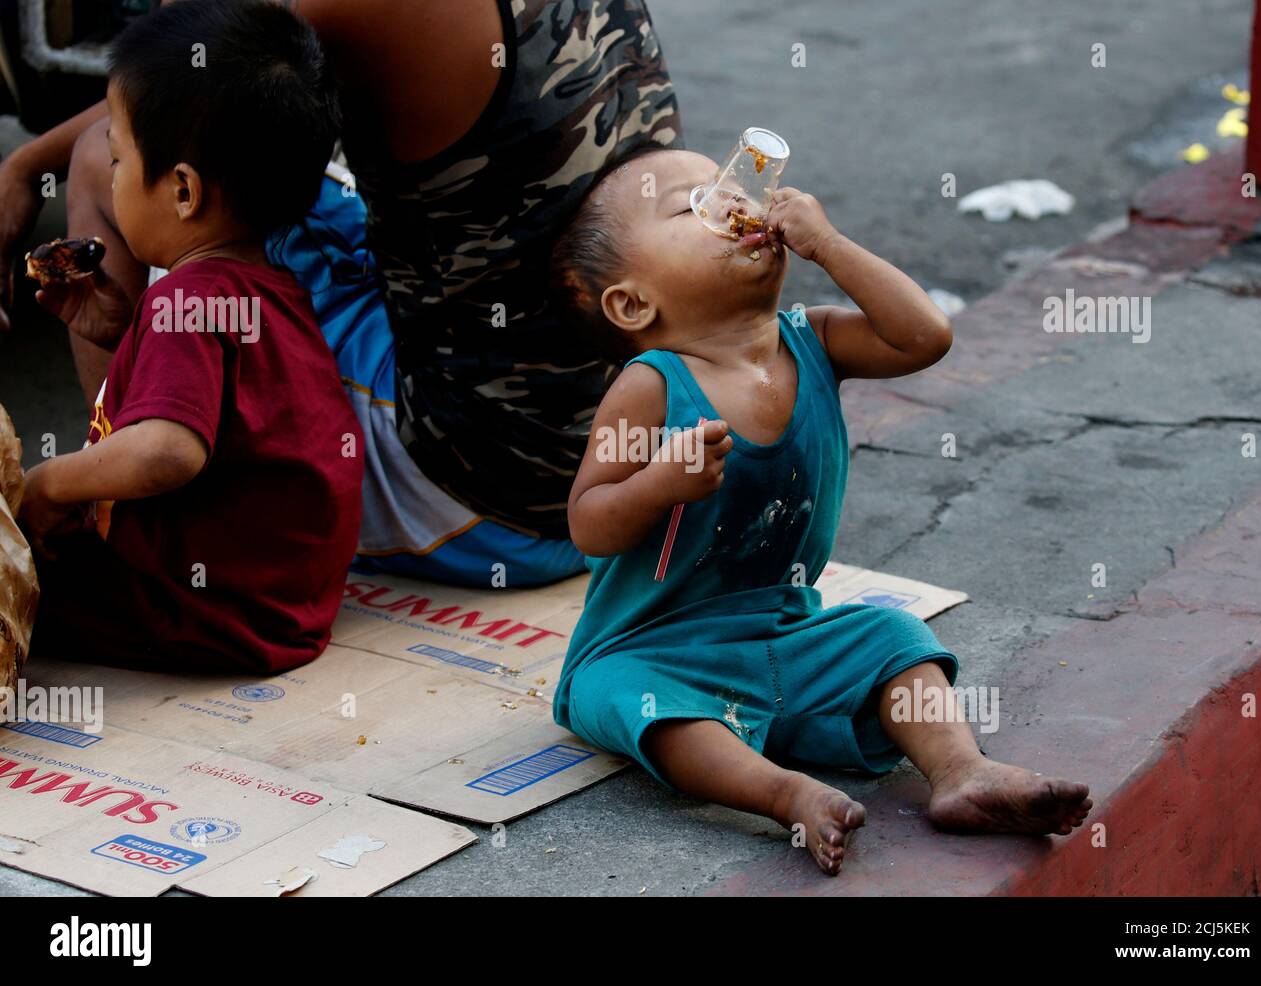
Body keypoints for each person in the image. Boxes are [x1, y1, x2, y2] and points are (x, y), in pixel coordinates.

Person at [0, 0, 683, 588]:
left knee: (103, 159)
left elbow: (172, 71)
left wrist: (30, 165)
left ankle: (128, 523)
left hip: (501, 495)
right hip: (629, 433)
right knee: (230, 188)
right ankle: (147, 399)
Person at [548, 147, 1093, 875]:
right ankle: (784, 794)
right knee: (632, 698)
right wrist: (657, 483)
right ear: (633, 303)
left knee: (893, 635)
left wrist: (829, 245)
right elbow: (587, 520)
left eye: (727, 190)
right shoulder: (651, 387)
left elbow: (925, 336)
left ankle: (964, 772)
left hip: (784, 636)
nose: (730, 207)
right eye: (691, 207)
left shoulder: (816, 340)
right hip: (654, 648)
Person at [17, 0, 362, 673]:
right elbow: (222, 418)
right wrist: (126, 338)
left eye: (116, 160)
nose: (109, 179)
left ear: (183, 191)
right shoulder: (274, 289)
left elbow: (169, 452)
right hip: (281, 608)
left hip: (198, 611)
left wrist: (53, 482)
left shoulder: (187, 297)